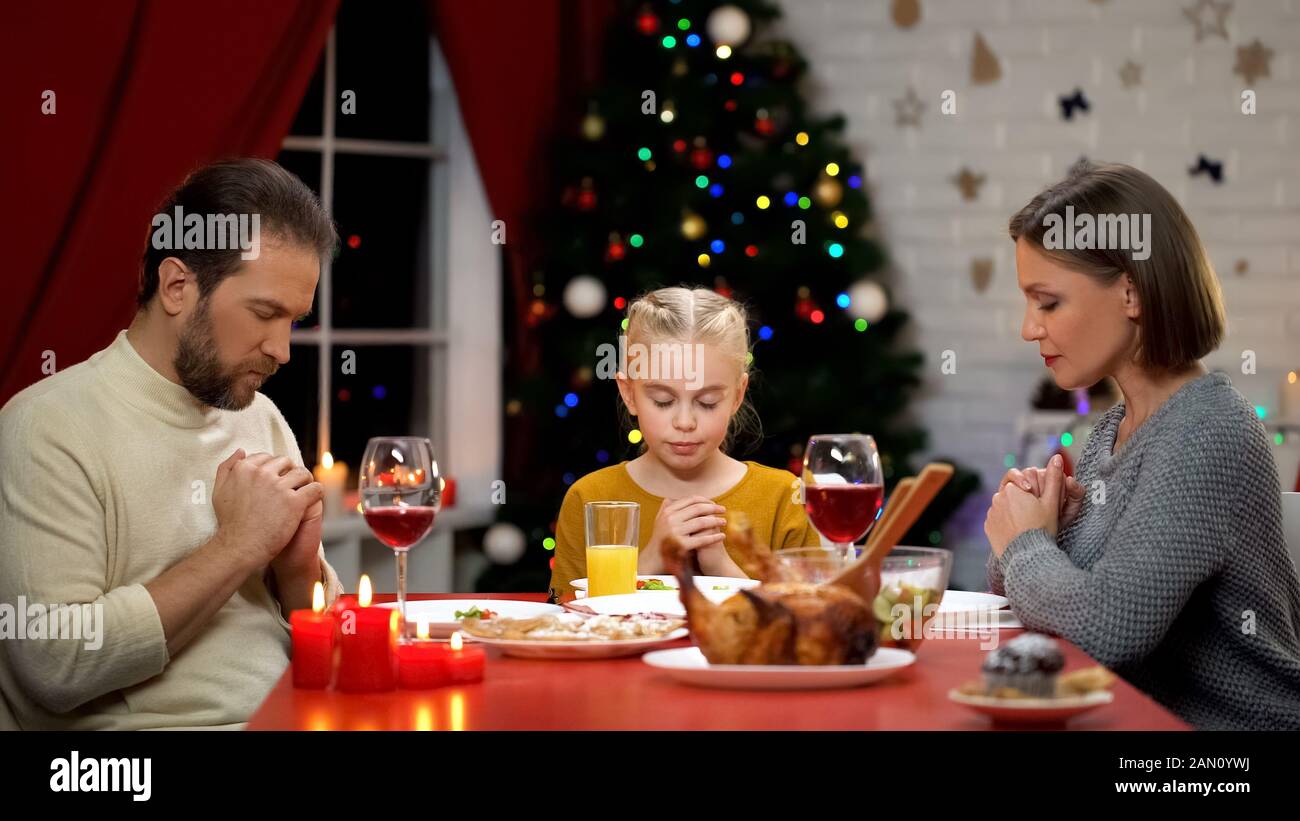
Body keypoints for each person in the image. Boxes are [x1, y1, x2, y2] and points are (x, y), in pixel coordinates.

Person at [0, 158, 344, 729]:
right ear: (178, 286)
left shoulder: (260, 416)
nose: (283, 350)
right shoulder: (47, 427)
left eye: (296, 321)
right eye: (265, 313)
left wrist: (298, 569)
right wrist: (239, 546)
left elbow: (325, 640)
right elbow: (54, 664)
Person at [984, 159, 1300, 729]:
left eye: (1048, 302)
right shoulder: (1112, 430)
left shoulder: (1208, 433)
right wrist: (1047, 529)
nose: (1029, 328)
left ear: (1131, 293)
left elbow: (1107, 629)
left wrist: (1026, 543)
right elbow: (1052, 603)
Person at [548, 286, 821, 601]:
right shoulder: (591, 498)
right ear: (628, 393)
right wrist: (653, 558)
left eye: (706, 402)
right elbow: (566, 620)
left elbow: (806, 624)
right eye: (663, 401)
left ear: (737, 394)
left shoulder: (784, 498)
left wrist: (721, 564)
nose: (685, 422)